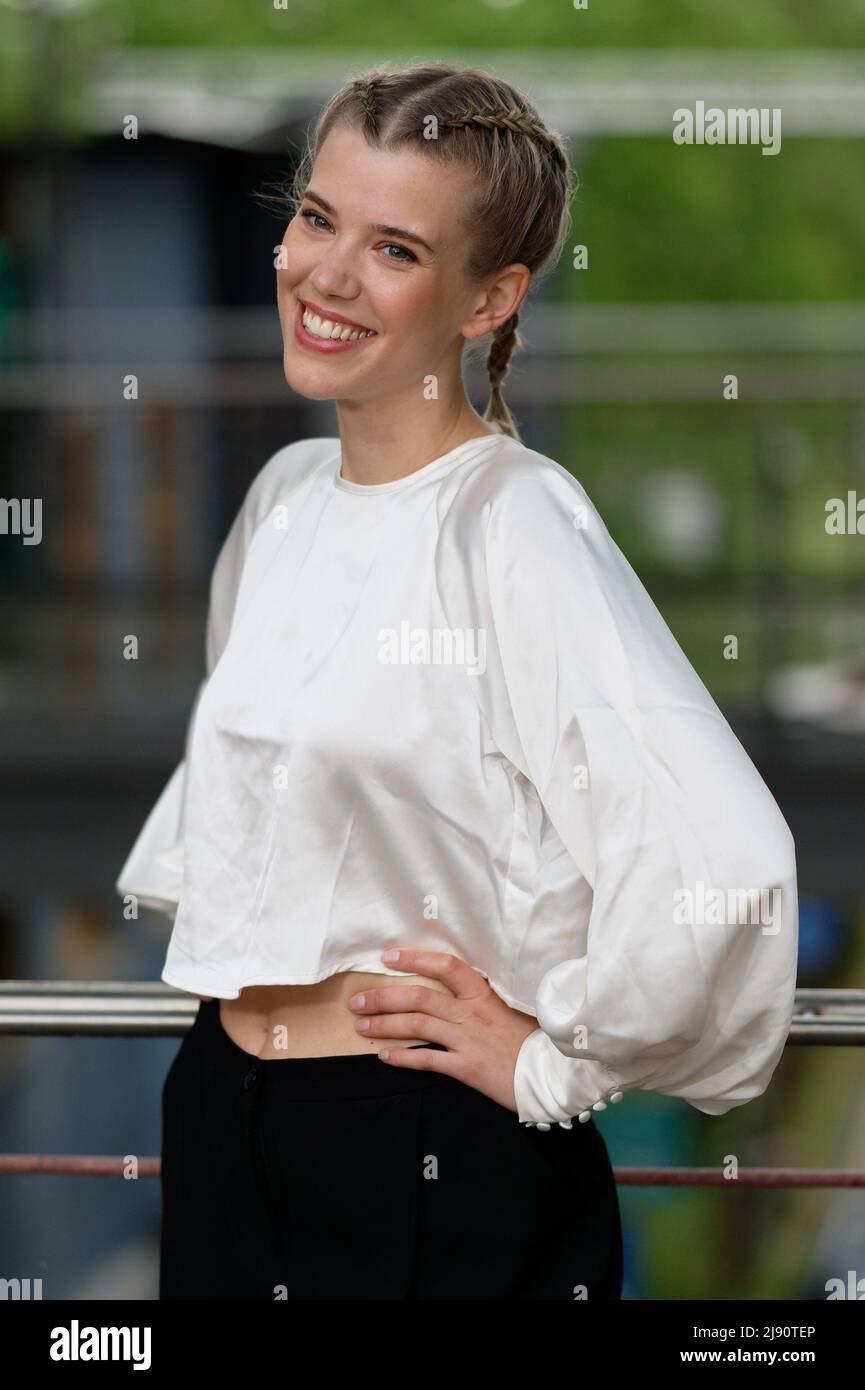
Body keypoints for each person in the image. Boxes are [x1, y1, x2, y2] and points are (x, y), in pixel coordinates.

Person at [116, 62, 799, 1301]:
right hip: (221, 1119)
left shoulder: (517, 524)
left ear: (489, 297)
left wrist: (556, 1067)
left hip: (422, 1155)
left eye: (394, 249)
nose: (324, 274)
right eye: (317, 218)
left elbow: (721, 855)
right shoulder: (280, 504)